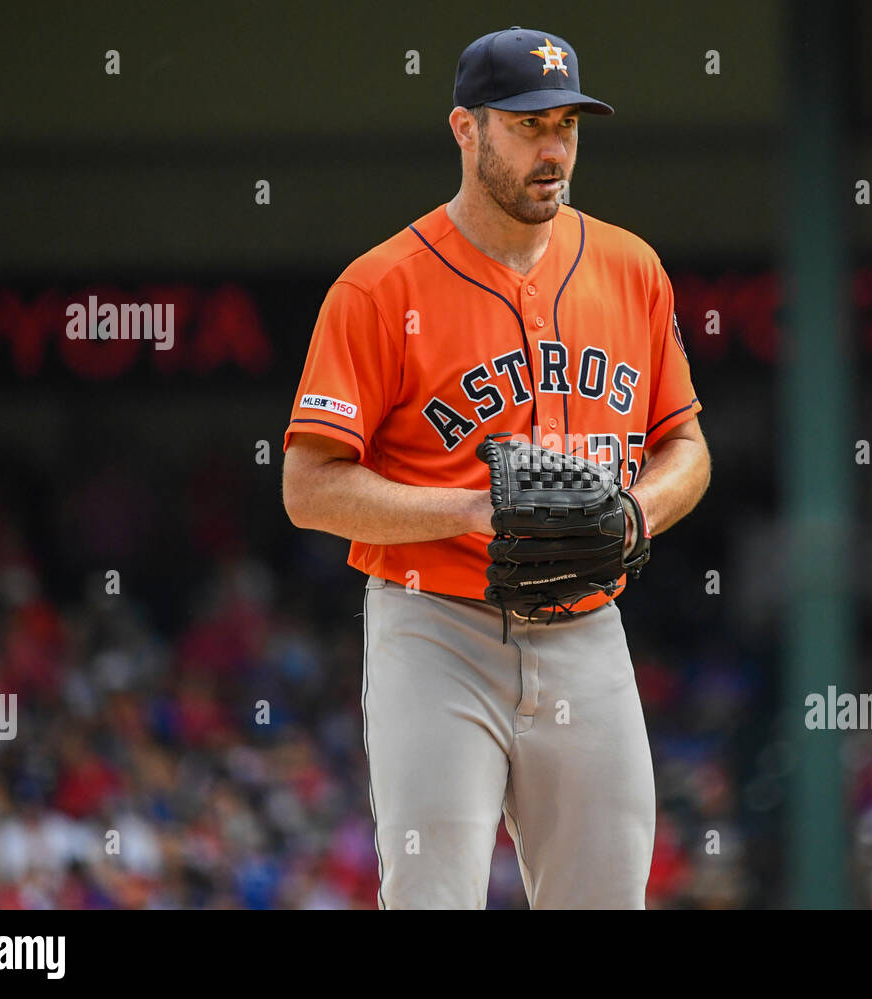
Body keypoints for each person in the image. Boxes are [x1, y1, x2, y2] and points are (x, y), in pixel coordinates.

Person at [282, 26, 710, 909]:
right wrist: (470, 511)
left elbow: (686, 447)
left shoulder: (633, 269)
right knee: (433, 893)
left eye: (567, 126)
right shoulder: (378, 288)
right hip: (434, 628)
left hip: (588, 627)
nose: (554, 150)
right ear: (466, 130)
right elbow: (309, 487)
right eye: (528, 126)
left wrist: (637, 516)